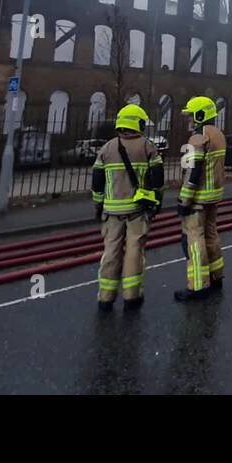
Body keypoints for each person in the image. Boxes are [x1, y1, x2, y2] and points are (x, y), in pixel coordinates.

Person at [92, 104, 164, 312]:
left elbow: (97, 180)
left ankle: (105, 297)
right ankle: (132, 296)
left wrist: (98, 204)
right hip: (137, 210)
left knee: (111, 251)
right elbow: (158, 178)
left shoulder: (107, 148)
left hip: (111, 211)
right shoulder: (147, 146)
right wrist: (156, 199)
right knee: (134, 250)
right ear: (139, 124)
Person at [175, 95, 227, 301]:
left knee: (194, 240)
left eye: (191, 116)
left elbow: (192, 172)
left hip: (197, 199)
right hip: (214, 196)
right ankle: (216, 276)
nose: (189, 120)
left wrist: (184, 200)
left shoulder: (197, 137)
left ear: (200, 114)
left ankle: (197, 285)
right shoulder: (218, 134)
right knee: (211, 235)